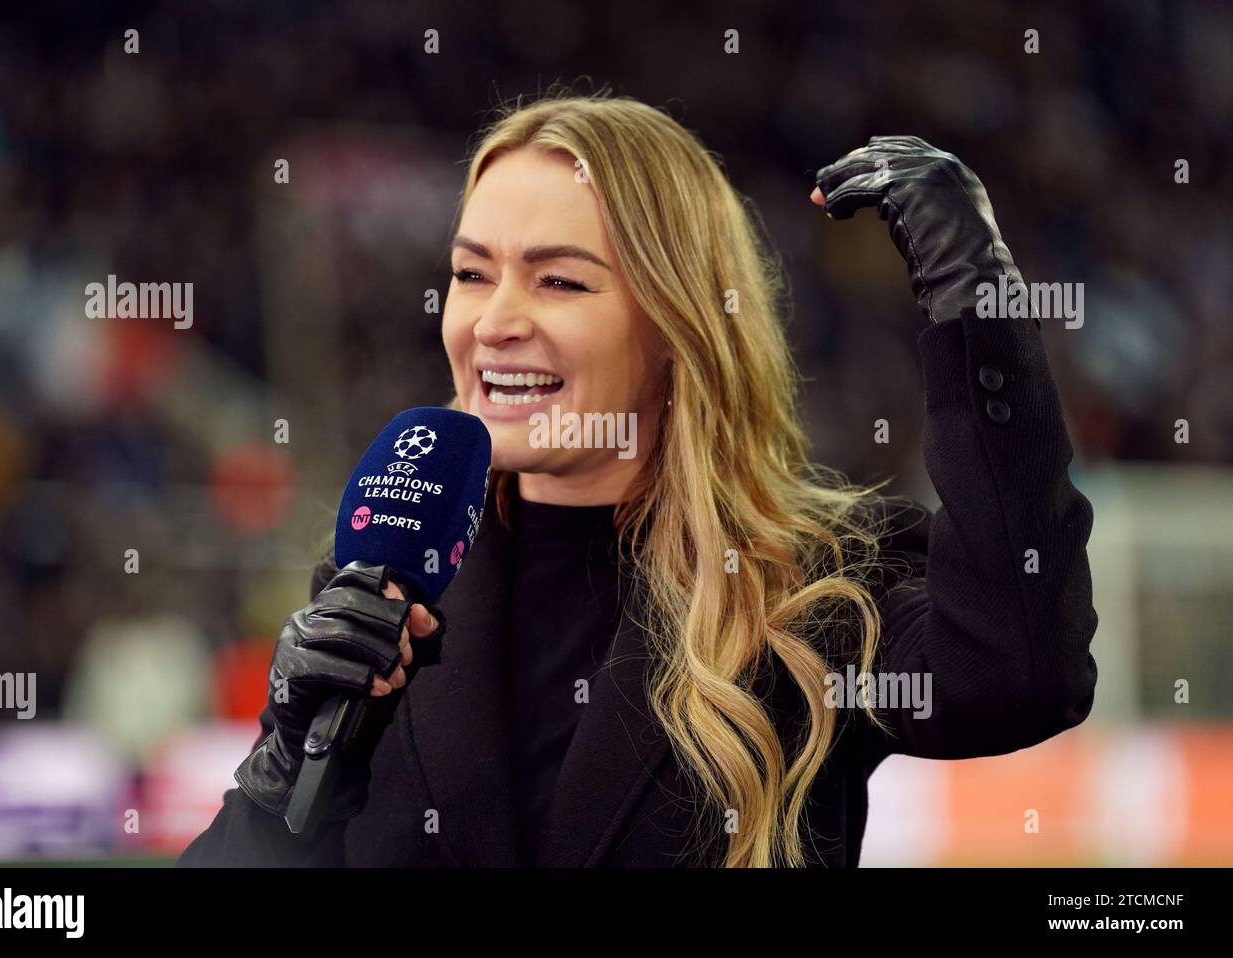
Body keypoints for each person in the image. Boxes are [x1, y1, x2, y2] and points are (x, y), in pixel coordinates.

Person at [180, 89, 1097, 868]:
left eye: (559, 283)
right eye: (470, 273)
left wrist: (977, 298)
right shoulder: (388, 596)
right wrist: (283, 774)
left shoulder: (815, 588)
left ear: (675, 325)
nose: (493, 321)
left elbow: (1019, 676)